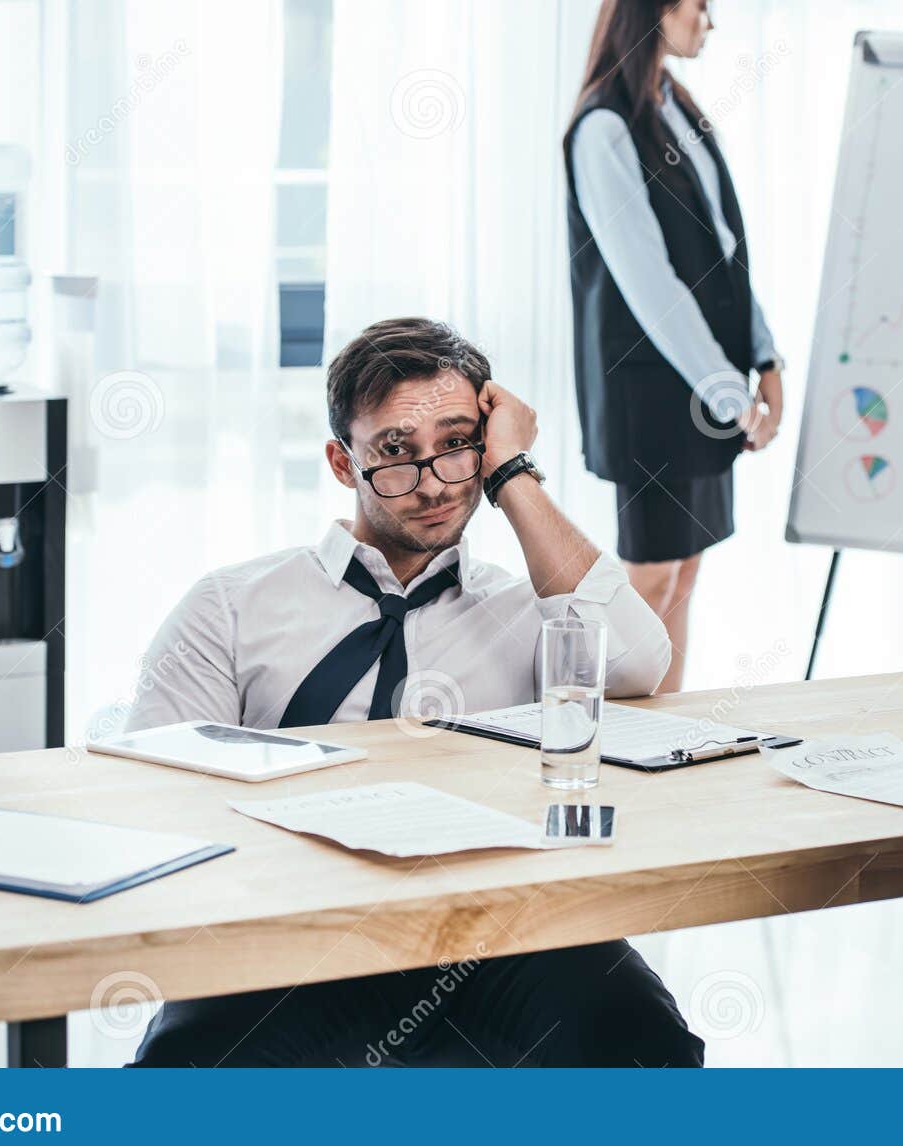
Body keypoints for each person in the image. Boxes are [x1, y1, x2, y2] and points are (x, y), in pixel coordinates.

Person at [124, 317, 701, 1067]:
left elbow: (638, 663)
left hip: (502, 932)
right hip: (291, 936)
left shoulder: (532, 607)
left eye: (457, 445)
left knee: (646, 1046)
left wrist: (513, 475)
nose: (432, 484)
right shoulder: (229, 607)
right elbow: (157, 799)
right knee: (183, 1076)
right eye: (396, 452)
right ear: (343, 462)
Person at [564, 0, 785, 691]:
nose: (709, 22)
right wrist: (730, 396)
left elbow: (725, 251)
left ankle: (668, 733)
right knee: (652, 582)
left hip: (707, 384)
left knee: (685, 575)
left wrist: (766, 357)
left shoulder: (676, 106)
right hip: (654, 397)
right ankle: (614, 735)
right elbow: (649, 284)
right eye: (699, 6)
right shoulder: (604, 126)